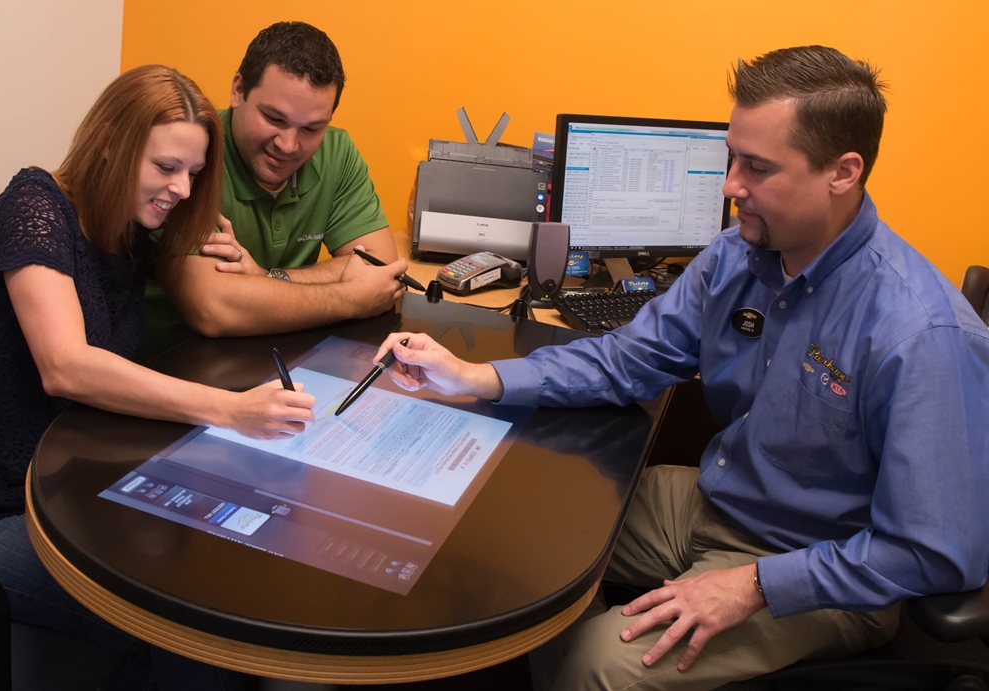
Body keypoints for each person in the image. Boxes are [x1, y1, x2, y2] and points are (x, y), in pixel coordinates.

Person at [373, 45, 989, 689]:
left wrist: (753, 584)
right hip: (717, 500)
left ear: (842, 171)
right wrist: (479, 379)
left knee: (599, 664)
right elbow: (629, 357)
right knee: (515, 520)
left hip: (819, 566)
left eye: (757, 167)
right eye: (731, 159)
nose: (729, 187)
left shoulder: (922, 333)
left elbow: (935, 552)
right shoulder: (734, 258)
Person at [0, 64, 316, 690]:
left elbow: (229, 301)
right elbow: (65, 366)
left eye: (194, 172)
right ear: (110, 145)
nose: (183, 188)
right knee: (191, 619)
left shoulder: (134, 227)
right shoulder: (34, 206)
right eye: (166, 168)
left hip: (72, 488)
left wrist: (258, 270)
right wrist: (229, 409)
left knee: (232, 566)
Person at [142, 21, 408, 359]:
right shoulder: (192, 156)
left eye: (311, 128)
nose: (288, 144)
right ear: (238, 90)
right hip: (177, 367)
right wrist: (352, 297)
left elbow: (380, 270)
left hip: (289, 362)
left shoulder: (337, 152)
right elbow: (214, 308)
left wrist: (268, 278)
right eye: (274, 119)